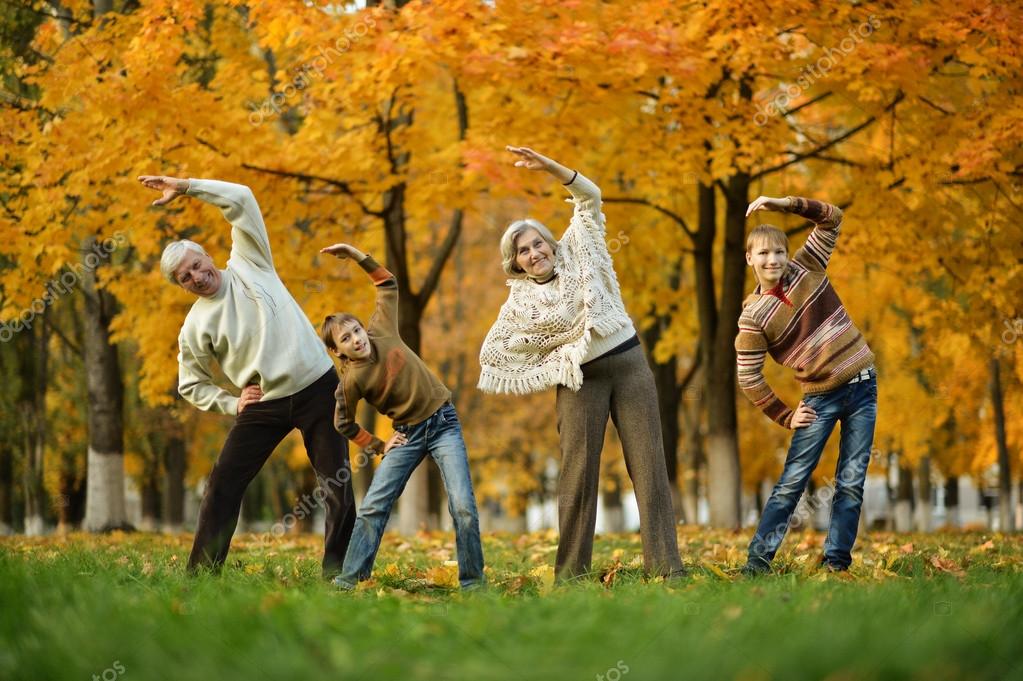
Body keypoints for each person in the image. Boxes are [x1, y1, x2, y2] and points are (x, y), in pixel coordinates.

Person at [477, 146, 685, 582]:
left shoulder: (579, 249)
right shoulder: (519, 306)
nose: (534, 252)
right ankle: (571, 575)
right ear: (514, 264)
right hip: (579, 381)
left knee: (649, 467)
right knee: (577, 475)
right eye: (523, 251)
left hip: (628, 364)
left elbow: (590, 197)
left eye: (537, 243)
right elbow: (496, 352)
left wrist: (553, 169)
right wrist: (556, 361)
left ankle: (666, 569)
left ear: (550, 243)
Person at [139, 174, 356, 577]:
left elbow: (241, 198)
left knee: (336, 484)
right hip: (263, 404)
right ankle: (202, 576)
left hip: (318, 388)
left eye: (197, 266)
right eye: (185, 277)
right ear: (180, 286)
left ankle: (338, 575)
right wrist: (230, 401)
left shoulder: (250, 261)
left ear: (207, 257)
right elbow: (191, 382)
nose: (197, 277)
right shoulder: (195, 327)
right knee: (222, 483)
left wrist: (185, 186)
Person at [320, 242, 485, 590]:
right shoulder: (350, 383)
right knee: (373, 507)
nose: (356, 339)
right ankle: (350, 580)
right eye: (346, 339)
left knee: (463, 506)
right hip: (407, 437)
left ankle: (472, 584)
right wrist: (379, 444)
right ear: (338, 351)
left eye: (355, 330)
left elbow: (387, 284)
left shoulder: (382, 329)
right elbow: (343, 423)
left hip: (443, 424)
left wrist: (354, 254)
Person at [736, 194, 877, 574]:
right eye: (764, 253)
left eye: (779, 251)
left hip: (864, 386)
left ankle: (836, 564)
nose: (774, 260)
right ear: (750, 258)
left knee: (850, 482)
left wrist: (783, 204)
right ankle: (757, 563)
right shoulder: (752, 319)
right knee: (791, 483)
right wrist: (784, 415)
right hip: (819, 399)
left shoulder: (807, 267)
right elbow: (748, 376)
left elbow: (833, 218)